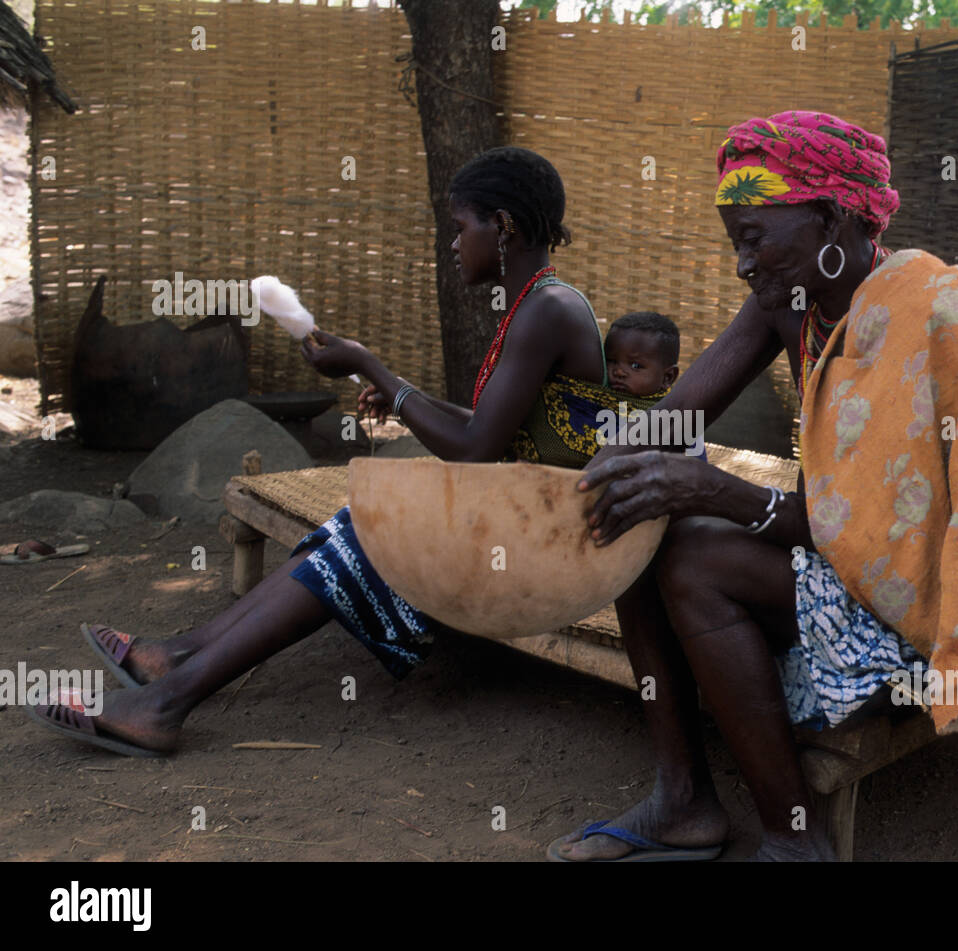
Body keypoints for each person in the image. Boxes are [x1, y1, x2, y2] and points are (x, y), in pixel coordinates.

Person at [550, 111, 958, 862]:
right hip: (841, 570)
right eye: (737, 242)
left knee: (694, 558)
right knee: (637, 514)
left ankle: (796, 838)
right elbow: (671, 421)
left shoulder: (931, 312)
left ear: (826, 218)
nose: (742, 264)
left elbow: (888, 543)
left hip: (925, 601)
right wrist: (612, 462)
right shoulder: (791, 305)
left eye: (754, 236)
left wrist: (715, 490)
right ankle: (684, 801)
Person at [26, 146, 630, 754]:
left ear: (503, 226)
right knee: (358, 522)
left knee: (377, 534)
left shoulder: (547, 309)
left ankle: (162, 704)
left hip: (557, 541)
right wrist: (397, 390)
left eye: (459, 228)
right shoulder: (536, 304)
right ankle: (175, 657)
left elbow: (476, 449)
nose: (452, 245)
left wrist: (375, 369)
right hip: (534, 516)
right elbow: (498, 430)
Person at [604, 311, 680, 397]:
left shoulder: (672, 407)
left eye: (635, 365)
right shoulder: (596, 396)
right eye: (611, 361)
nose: (619, 372)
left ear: (667, 377)